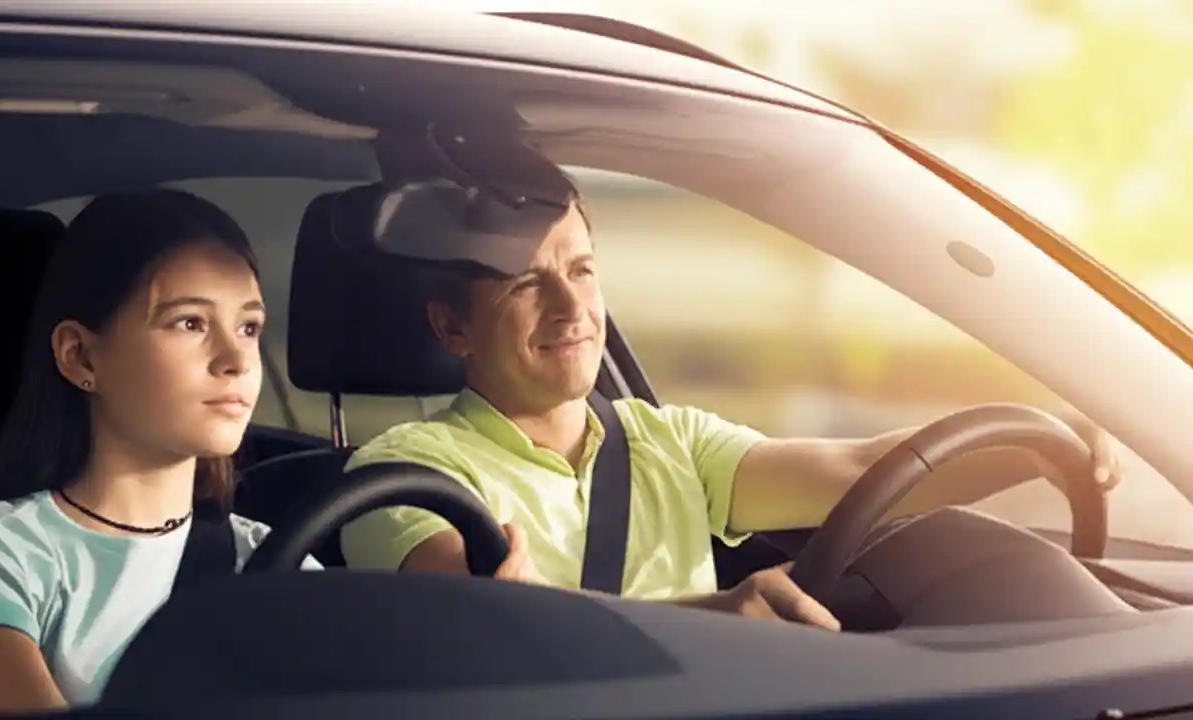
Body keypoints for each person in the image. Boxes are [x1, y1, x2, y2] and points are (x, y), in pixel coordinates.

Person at [340, 187, 1121, 631]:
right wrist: (713, 616)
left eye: (581, 268)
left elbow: (859, 472)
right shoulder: (404, 474)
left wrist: (1047, 438)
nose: (571, 304)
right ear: (451, 328)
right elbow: (487, 630)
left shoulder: (668, 439)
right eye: (524, 283)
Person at [0, 190, 317, 715]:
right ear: (81, 356)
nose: (237, 359)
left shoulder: (277, 564)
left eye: (248, 327)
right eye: (190, 323)